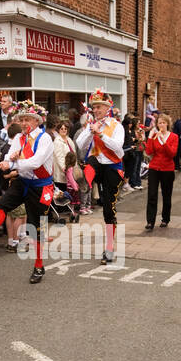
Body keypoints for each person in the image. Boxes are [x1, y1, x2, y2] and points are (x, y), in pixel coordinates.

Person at [0, 100, 55, 283]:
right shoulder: (18, 138)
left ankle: (39, 266)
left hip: (41, 185)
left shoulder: (45, 138)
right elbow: (9, 156)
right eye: (21, 120)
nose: (24, 123)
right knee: (2, 205)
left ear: (37, 121)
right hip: (23, 181)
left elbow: (35, 162)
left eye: (27, 119)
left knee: (37, 227)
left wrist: (12, 163)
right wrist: (7, 161)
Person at [75, 89, 126, 262]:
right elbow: (80, 145)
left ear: (107, 108)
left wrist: (101, 134)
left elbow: (119, 150)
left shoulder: (116, 126)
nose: (95, 110)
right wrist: (91, 131)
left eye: (99, 107)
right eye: (94, 107)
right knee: (91, 160)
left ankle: (109, 248)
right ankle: (86, 183)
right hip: (97, 166)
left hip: (113, 168)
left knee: (108, 210)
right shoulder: (91, 125)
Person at [143, 112, 178, 230]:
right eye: (159, 123)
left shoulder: (173, 137)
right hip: (154, 168)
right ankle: (150, 221)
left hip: (167, 169)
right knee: (152, 195)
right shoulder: (154, 136)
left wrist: (163, 140)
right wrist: (150, 138)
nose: (161, 125)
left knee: (166, 195)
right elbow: (149, 152)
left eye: (163, 123)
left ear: (167, 124)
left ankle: (165, 219)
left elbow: (172, 154)